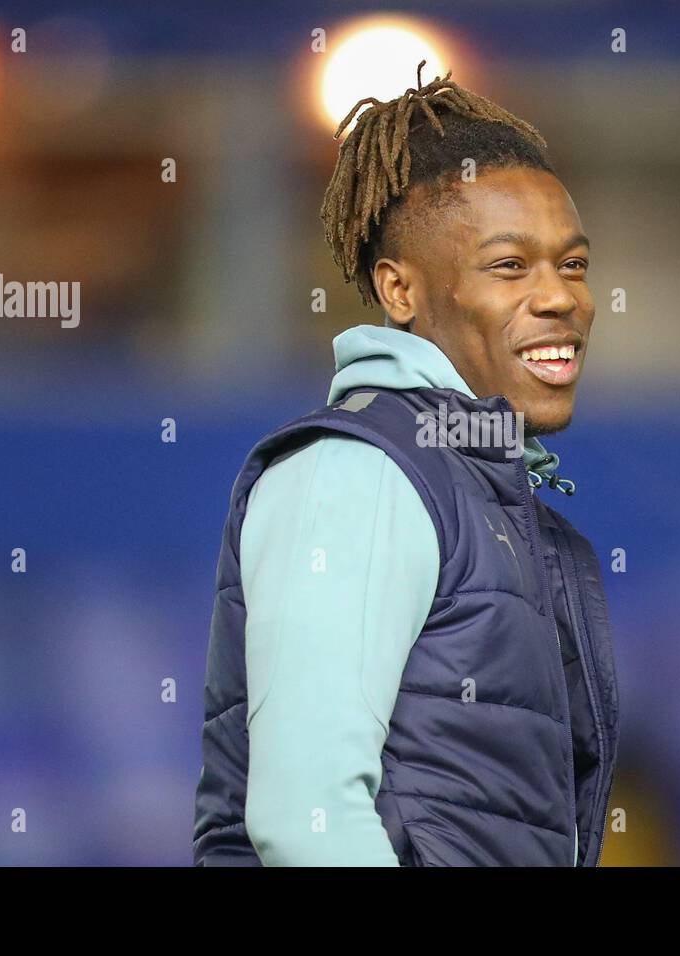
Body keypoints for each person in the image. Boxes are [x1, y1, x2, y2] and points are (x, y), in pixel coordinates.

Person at [193, 62, 619, 866]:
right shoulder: (359, 471)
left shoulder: (482, 492)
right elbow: (305, 818)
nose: (561, 296)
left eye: (572, 264)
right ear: (400, 289)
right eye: (508, 266)